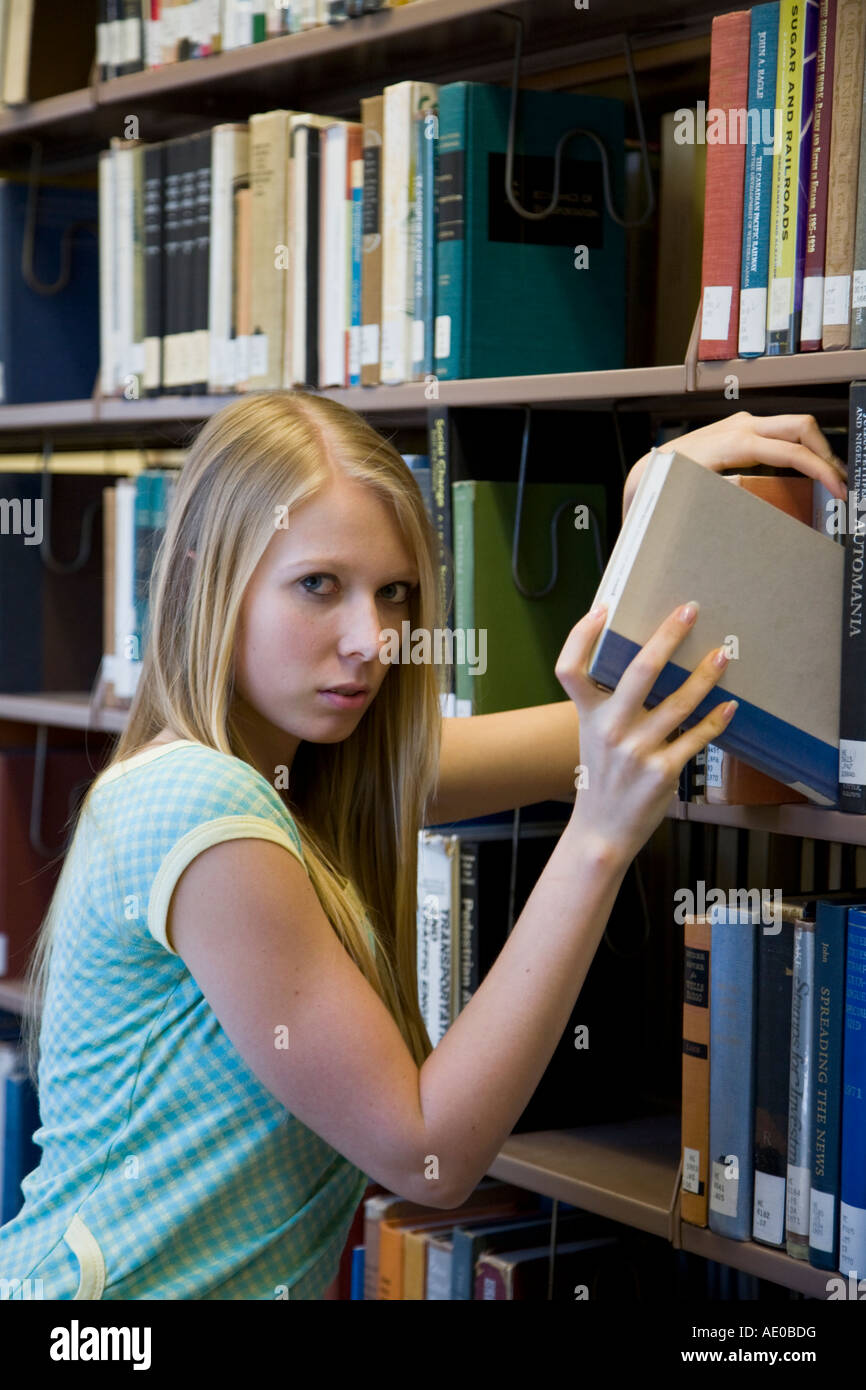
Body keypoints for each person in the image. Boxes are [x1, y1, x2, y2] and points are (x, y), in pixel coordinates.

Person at [0, 394, 848, 1300]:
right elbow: (430, 1156)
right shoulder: (199, 803)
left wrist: (665, 515)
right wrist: (599, 837)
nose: (372, 641)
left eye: (394, 592)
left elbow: (612, 725)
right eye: (318, 585)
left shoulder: (311, 775)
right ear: (213, 577)